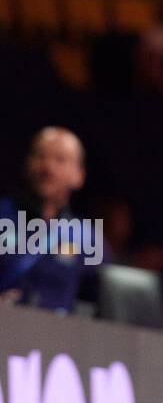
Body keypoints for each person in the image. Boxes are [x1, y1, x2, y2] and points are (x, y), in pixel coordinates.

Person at [0, 127, 105, 311]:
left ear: (79, 175)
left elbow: (104, 303)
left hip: (57, 336)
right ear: (27, 164)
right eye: (40, 156)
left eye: (60, 160)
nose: (48, 167)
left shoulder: (86, 237)